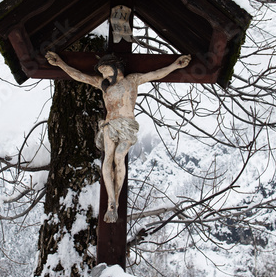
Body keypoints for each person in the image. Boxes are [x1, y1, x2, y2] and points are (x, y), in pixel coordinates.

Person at [45, 49, 192, 222]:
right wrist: (60, 63)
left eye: (106, 71)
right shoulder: (103, 85)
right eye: (102, 74)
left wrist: (175, 65)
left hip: (127, 126)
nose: (105, 76)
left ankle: (115, 199)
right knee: (108, 159)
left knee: (119, 156)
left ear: (116, 68)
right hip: (109, 126)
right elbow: (80, 76)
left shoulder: (132, 80)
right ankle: (111, 202)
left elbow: (156, 74)